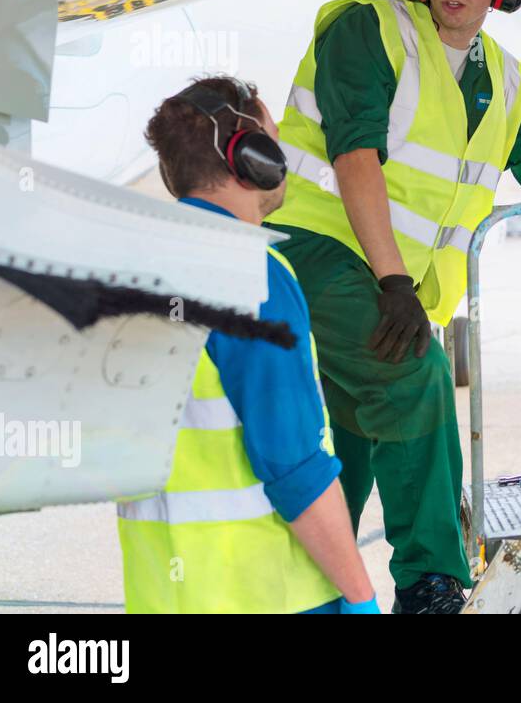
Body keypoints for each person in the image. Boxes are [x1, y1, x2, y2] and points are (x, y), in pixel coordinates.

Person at [264, 0, 521, 613]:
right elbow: (352, 152)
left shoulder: (504, 81)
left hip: (389, 278)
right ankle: (428, 579)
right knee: (411, 373)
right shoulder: (370, 31)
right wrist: (393, 280)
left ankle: (302, 588)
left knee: (356, 434)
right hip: (314, 246)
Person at [119, 75, 379, 614]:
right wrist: (361, 597)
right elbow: (294, 467)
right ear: (251, 157)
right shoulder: (248, 274)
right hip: (271, 597)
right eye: (273, 140)